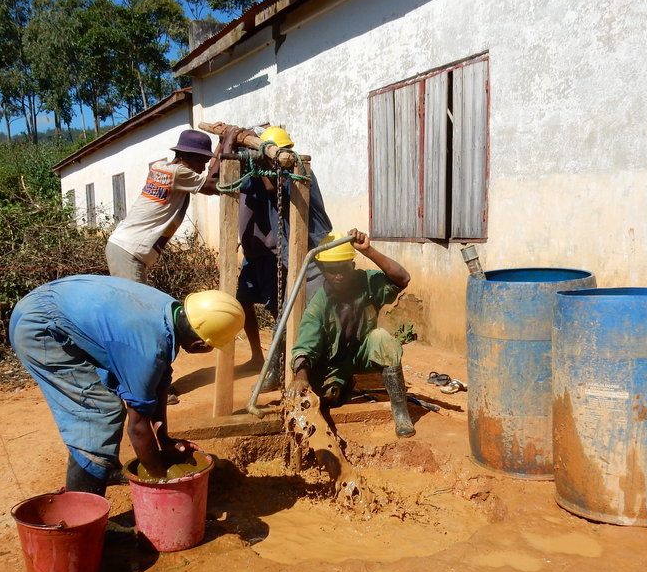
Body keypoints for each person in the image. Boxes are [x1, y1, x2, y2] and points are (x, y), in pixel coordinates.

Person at [9, 275, 245, 495]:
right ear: (198, 344)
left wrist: (164, 439)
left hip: (56, 304)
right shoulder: (146, 350)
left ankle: (103, 468)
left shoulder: (169, 312)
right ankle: (81, 511)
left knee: (106, 399)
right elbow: (138, 427)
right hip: (39, 327)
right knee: (99, 413)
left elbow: (157, 384)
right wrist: (160, 479)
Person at [289, 229, 415, 438]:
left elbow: (402, 278)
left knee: (382, 338)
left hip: (361, 354)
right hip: (331, 364)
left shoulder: (366, 282)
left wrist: (368, 251)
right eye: (332, 270)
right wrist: (300, 377)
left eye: (343, 269)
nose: (338, 275)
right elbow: (304, 347)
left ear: (353, 265)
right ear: (322, 270)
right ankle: (341, 382)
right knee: (325, 400)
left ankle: (401, 413)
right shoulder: (318, 306)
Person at [236, 125, 332, 390]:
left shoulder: (298, 174)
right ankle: (281, 367)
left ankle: (293, 369)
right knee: (288, 310)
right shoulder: (266, 176)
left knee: (303, 311)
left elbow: (277, 189)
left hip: (310, 250)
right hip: (285, 251)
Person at [105, 127, 239, 283]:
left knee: (134, 300)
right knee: (133, 305)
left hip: (123, 246)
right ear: (185, 156)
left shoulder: (160, 167)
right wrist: (229, 146)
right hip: (129, 251)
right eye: (200, 162)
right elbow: (213, 186)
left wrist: (221, 143)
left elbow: (209, 177)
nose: (202, 168)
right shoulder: (179, 174)